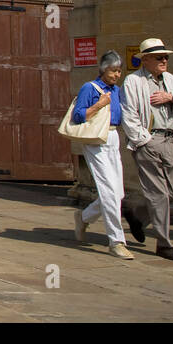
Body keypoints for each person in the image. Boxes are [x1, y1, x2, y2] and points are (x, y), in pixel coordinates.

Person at [119, 38, 173, 262]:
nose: (164, 60)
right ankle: (164, 244)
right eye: (159, 57)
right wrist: (143, 140)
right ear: (145, 60)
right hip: (149, 141)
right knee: (159, 194)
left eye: (166, 57)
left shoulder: (171, 80)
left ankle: (138, 215)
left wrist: (171, 97)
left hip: (172, 141)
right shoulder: (133, 82)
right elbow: (129, 114)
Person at [71, 51, 134, 259]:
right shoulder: (90, 88)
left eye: (119, 71)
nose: (116, 75)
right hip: (95, 140)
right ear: (103, 69)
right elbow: (78, 115)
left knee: (118, 193)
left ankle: (84, 216)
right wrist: (99, 105)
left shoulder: (116, 91)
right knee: (108, 191)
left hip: (113, 138)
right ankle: (116, 241)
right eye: (113, 70)